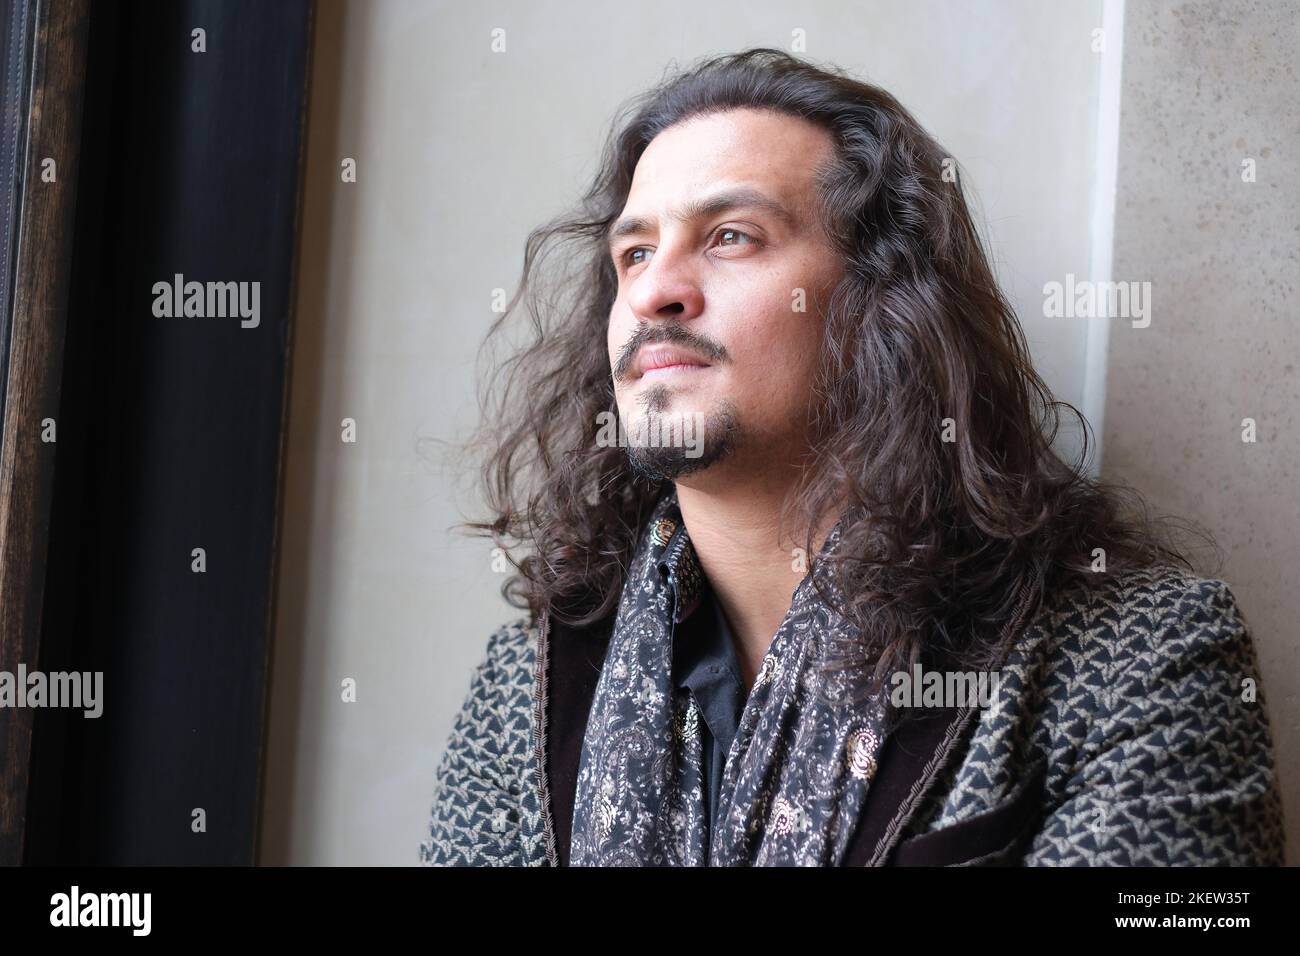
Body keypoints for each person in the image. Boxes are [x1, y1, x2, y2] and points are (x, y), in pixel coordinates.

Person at [419, 48, 1285, 866]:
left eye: (730, 236)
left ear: (884, 305)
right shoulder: (526, 692)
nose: (652, 289)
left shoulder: (1142, 660)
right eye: (634, 252)